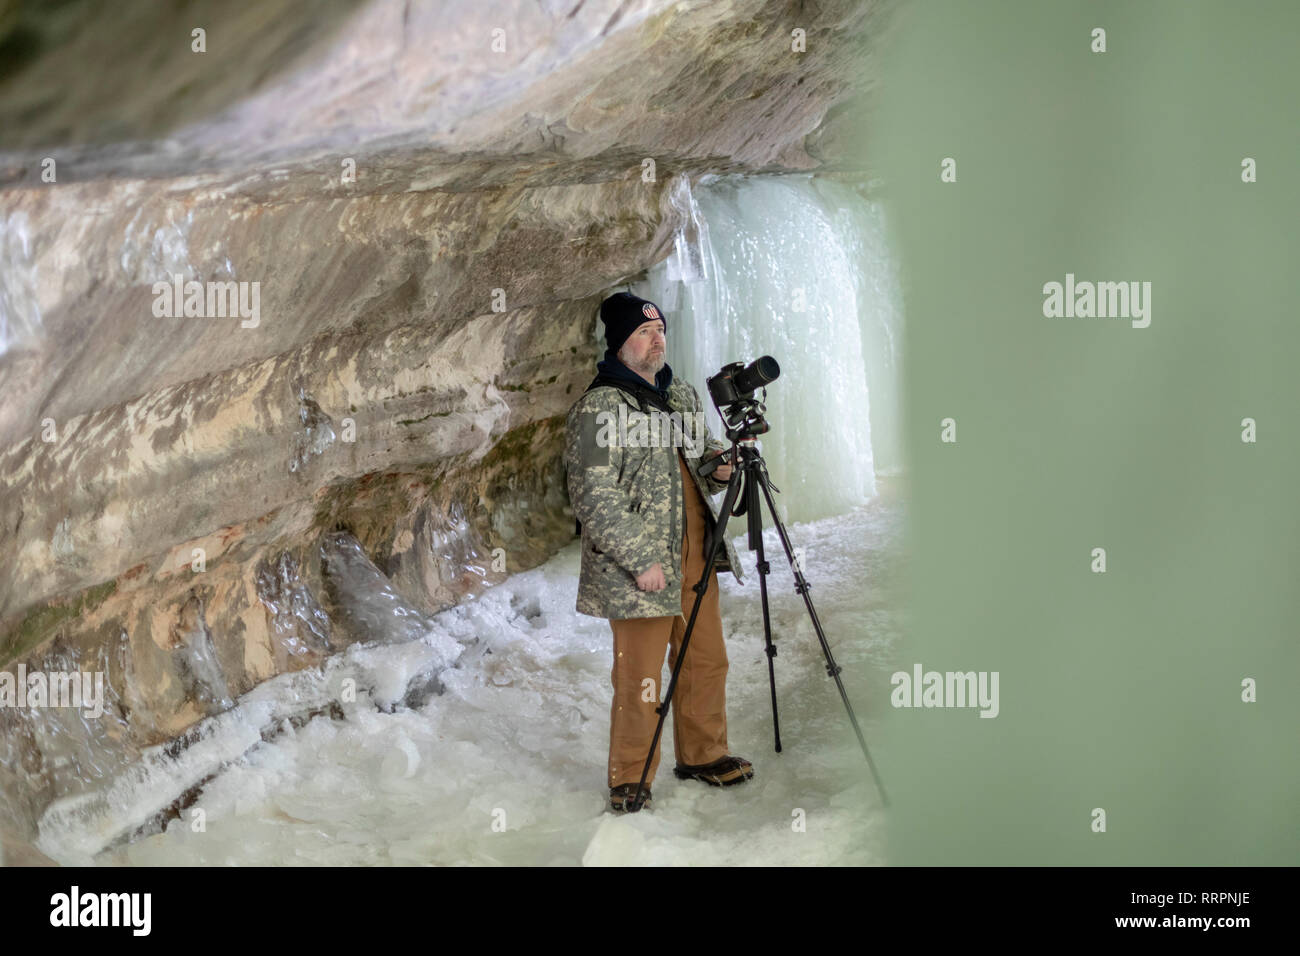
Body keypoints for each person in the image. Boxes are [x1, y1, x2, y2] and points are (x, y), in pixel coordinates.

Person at [563, 291, 754, 812]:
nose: (657, 340)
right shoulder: (600, 408)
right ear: (620, 343)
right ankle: (631, 777)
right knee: (641, 675)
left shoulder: (682, 397)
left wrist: (719, 468)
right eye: (645, 333)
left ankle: (703, 755)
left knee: (705, 660)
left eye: (660, 331)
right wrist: (640, 559)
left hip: (696, 551)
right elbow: (593, 494)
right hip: (638, 566)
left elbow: (701, 456)